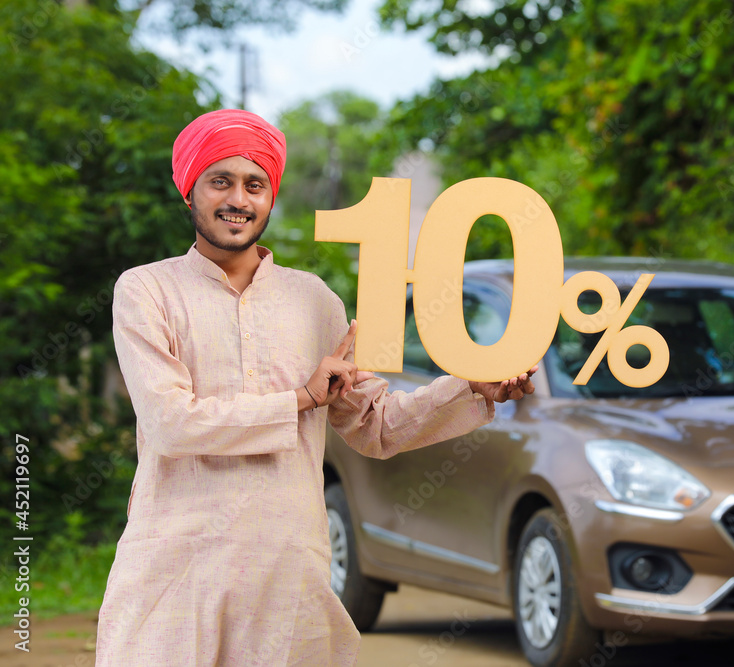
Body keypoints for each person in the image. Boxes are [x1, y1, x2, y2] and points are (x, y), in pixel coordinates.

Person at [95, 109, 536, 666]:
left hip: (286, 574)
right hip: (175, 569)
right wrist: (300, 400)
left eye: (255, 185)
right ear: (190, 191)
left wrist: (470, 386)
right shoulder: (148, 291)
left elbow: (375, 425)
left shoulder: (315, 301)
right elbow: (169, 423)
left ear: (271, 196)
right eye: (220, 181)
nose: (239, 199)